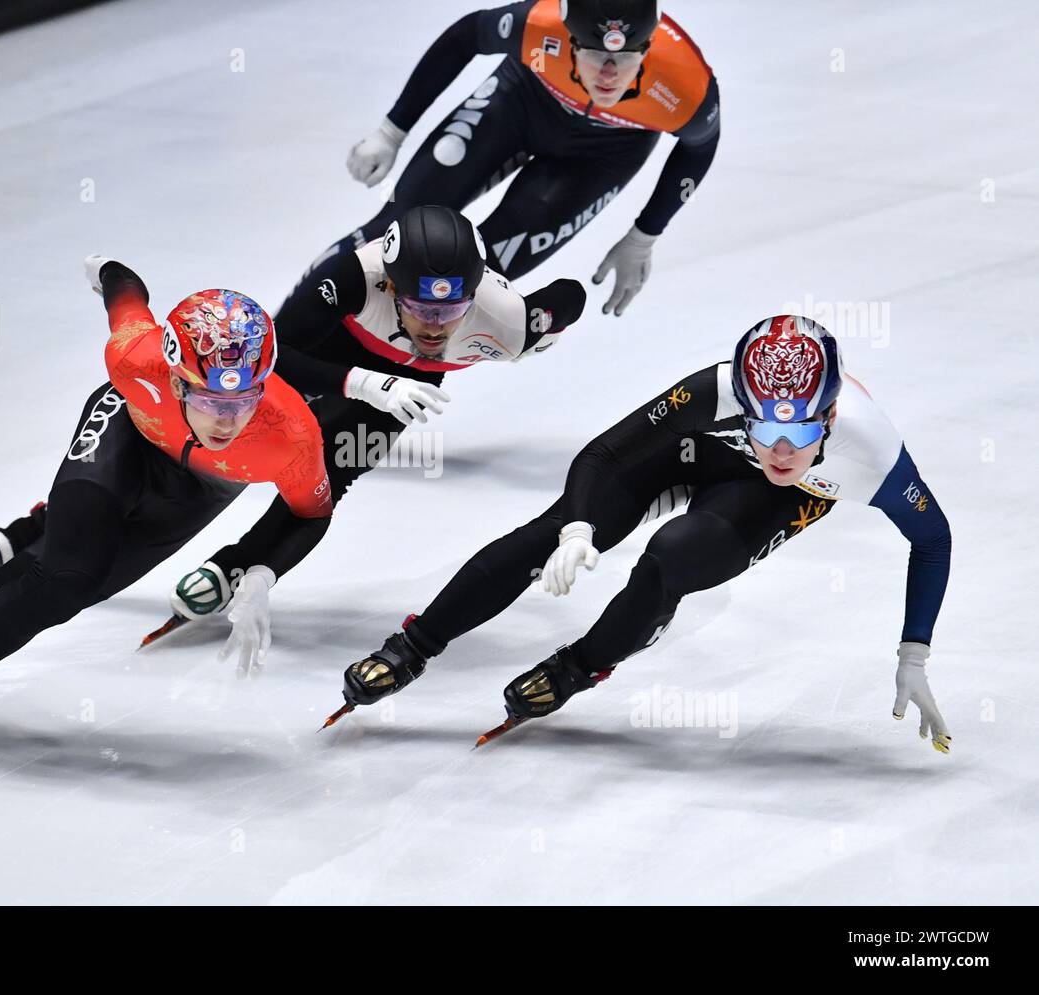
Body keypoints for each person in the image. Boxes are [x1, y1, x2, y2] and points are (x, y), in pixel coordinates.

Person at [334, 315, 954, 752]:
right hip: (700, 451)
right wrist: (579, 529)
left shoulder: (870, 451)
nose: (781, 449)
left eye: (800, 434)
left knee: (671, 557)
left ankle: (579, 667)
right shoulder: (714, 391)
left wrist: (914, 653)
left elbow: (932, 539)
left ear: (832, 414)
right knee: (550, 533)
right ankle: (412, 647)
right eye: (763, 430)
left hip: (770, 502)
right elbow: (603, 456)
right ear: (740, 401)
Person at [0, 257, 332, 748]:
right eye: (209, 400)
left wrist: (262, 574)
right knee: (67, 580)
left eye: (244, 401)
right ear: (175, 377)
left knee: (4, 606)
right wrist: (104, 268)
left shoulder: (291, 436)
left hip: (200, 487)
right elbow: (127, 299)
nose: (227, 420)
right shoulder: (136, 359)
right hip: (126, 433)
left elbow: (310, 515)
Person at [154, 204, 587, 662]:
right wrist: (360, 382)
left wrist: (542, 331)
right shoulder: (355, 276)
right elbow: (274, 357)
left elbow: (570, 296)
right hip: (337, 353)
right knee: (256, 427)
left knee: (336, 469)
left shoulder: (508, 322)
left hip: (414, 384)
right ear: (392, 285)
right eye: (421, 309)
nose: (436, 326)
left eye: (453, 309)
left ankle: (239, 564)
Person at [339, 0, 720, 310]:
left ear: (648, 48)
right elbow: (466, 35)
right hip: (522, 103)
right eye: (593, 54)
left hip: (603, 154)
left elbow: (700, 146)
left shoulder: (685, 85)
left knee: (477, 283)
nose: (607, 74)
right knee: (390, 230)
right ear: (568, 39)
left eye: (624, 59)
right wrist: (392, 130)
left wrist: (644, 235)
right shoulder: (539, 23)